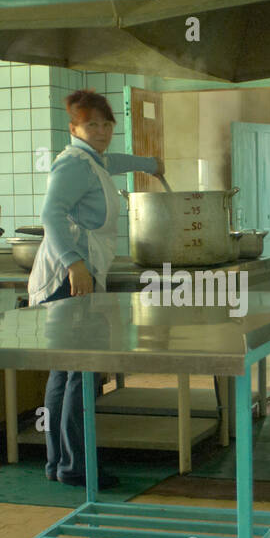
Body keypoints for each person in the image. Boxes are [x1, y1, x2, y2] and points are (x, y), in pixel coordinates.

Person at [27, 89, 164, 489]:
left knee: (65, 372)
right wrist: (75, 265)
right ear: (74, 128)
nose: (101, 131)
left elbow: (112, 162)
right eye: (92, 125)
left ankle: (58, 462)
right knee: (81, 374)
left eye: (106, 125)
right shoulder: (72, 164)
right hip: (68, 278)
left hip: (71, 274)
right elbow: (49, 213)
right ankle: (77, 467)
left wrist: (150, 164)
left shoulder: (90, 159)